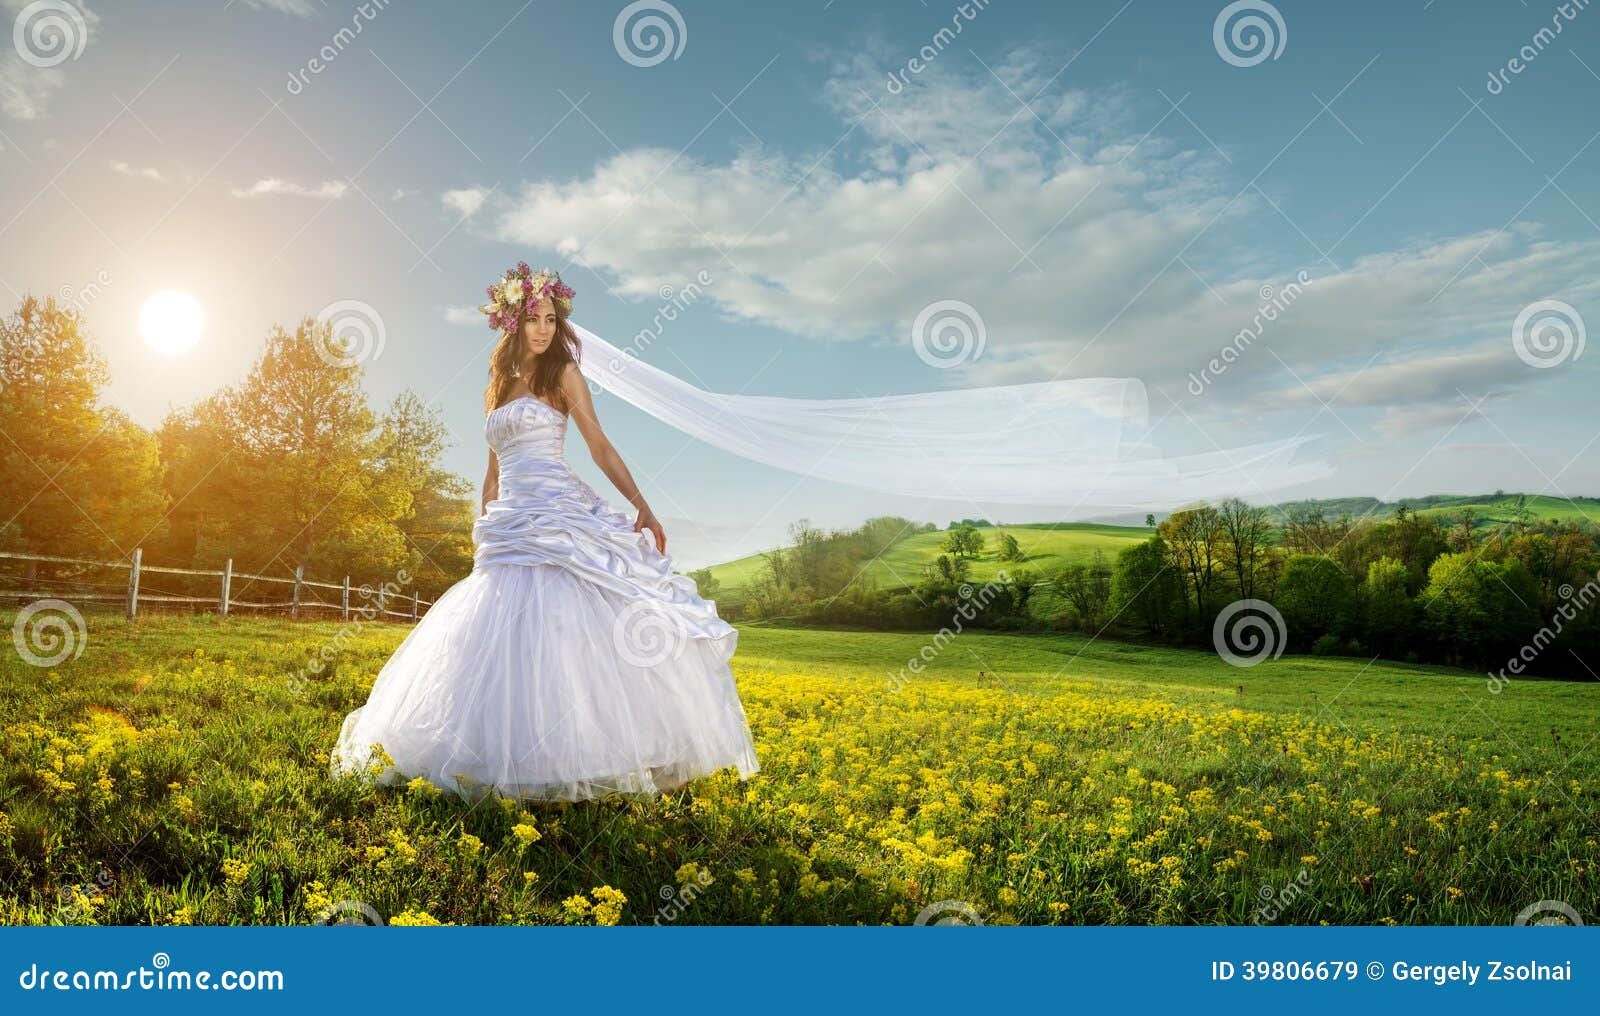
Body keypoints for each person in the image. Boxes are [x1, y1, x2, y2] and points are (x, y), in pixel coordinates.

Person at [330, 264, 760, 802]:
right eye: (532, 318)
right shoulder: (496, 386)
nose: (542, 329)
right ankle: (490, 753)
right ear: (512, 323)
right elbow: (491, 471)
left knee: (565, 624)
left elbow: (599, 446)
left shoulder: (563, 376)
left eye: (551, 319)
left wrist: (643, 507)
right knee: (495, 631)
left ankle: (588, 751)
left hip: (556, 513)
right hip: (509, 524)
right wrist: (482, 524)